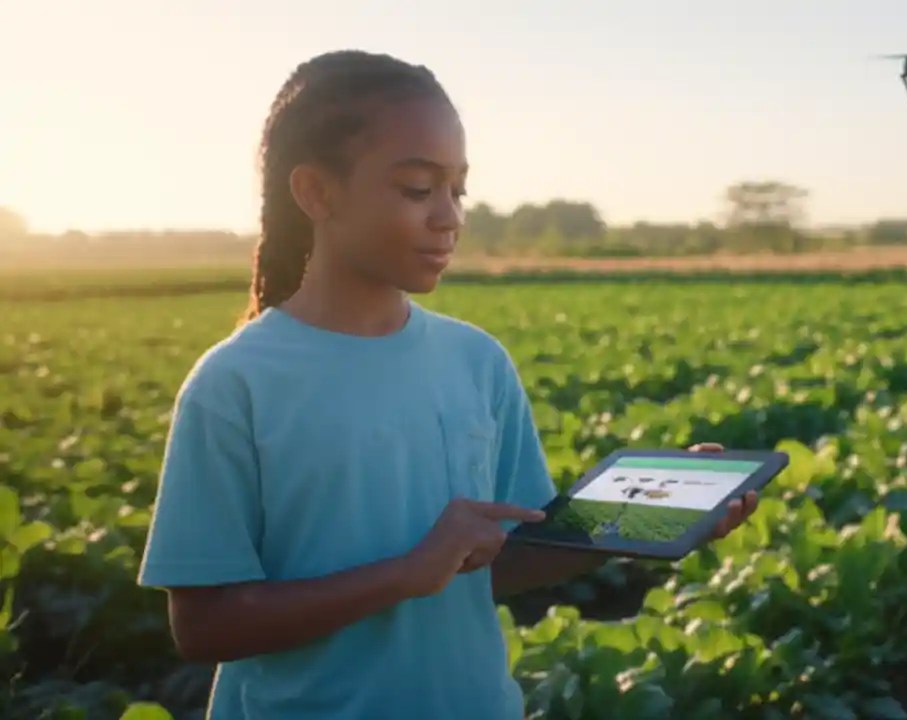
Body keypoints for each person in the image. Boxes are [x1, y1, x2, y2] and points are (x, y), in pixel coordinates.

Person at [136, 49, 759, 719]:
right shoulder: (235, 384)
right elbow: (203, 627)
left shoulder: (477, 360)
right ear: (317, 193)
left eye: (458, 189)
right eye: (417, 190)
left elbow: (495, 563)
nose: (450, 217)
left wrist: (648, 523)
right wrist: (404, 575)